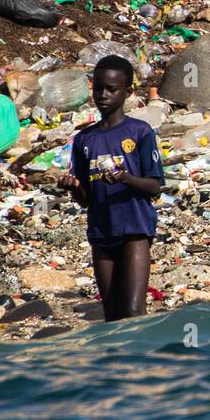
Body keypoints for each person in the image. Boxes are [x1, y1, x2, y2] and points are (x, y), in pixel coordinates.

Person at [58, 55, 164, 321]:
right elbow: (87, 200)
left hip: (134, 231)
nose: (103, 95)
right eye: (98, 88)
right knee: (112, 315)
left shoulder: (140, 132)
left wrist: (125, 178)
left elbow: (154, 186)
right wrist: (72, 187)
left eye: (112, 89)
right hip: (101, 233)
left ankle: (143, 360)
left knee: (133, 312)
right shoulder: (84, 139)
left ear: (127, 92)